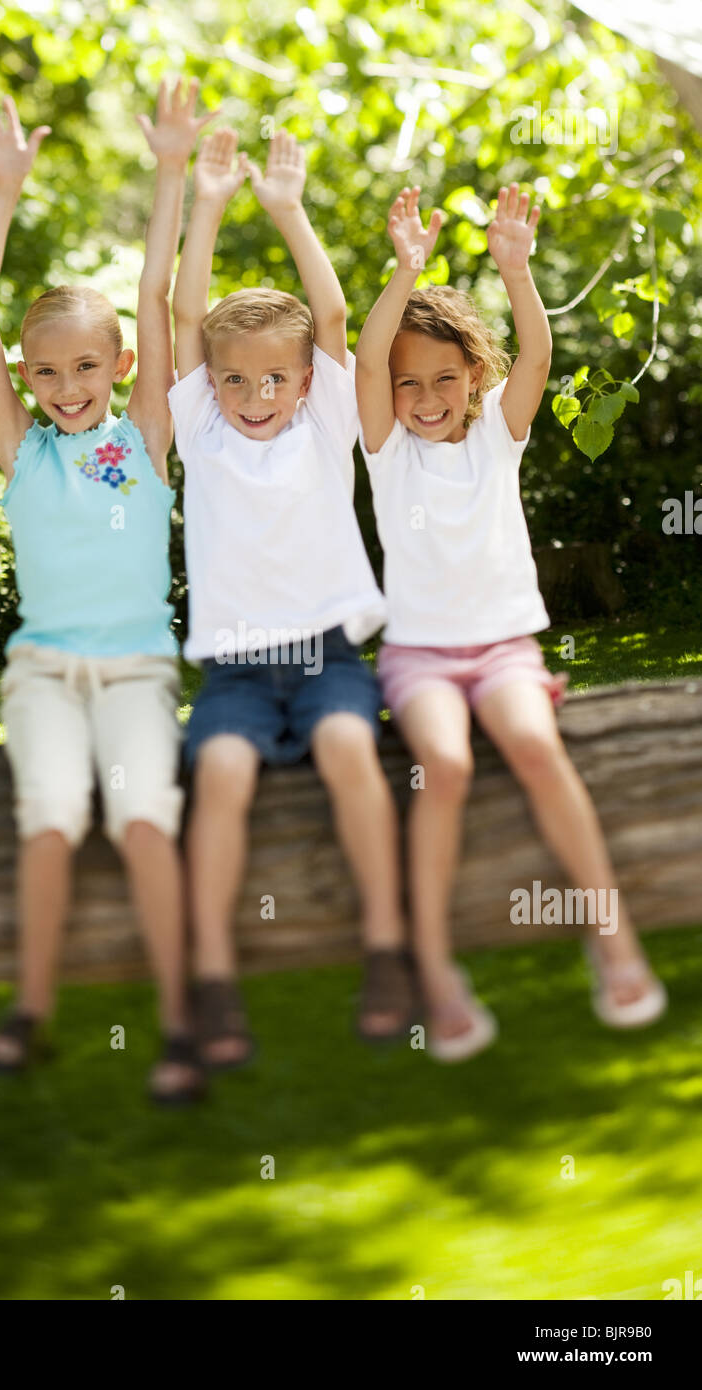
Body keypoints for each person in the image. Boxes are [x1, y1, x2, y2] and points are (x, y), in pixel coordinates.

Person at [355, 183, 667, 1062]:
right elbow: (367, 354)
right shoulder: (384, 449)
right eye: (408, 382)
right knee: (444, 767)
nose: (424, 397)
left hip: (502, 650)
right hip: (418, 657)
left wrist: (516, 270)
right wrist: (404, 270)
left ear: (472, 380)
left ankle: (614, 942)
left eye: (444, 380)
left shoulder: (498, 432)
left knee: (535, 746)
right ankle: (437, 973)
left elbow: (537, 353)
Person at [0, 82, 212, 1103]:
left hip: (139, 664)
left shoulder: (144, 438)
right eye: (46, 371)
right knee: (54, 815)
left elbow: (154, 294)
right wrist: (2, 191)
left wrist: (168, 170)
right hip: (45, 674)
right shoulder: (21, 451)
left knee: (145, 817)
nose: (66, 387)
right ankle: (29, 1012)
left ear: (120, 367)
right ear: (26, 376)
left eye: (85, 368)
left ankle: (180, 1025)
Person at [170, 127, 417, 1070]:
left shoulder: (325, 424)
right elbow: (188, 313)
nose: (253, 391)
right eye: (235, 378)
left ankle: (387, 951)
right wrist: (207, 203)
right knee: (221, 780)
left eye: (274, 376)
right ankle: (217, 980)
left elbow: (332, 308)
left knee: (353, 750)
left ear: (308, 381)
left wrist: (286, 207)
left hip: (328, 659)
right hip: (235, 671)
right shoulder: (202, 428)